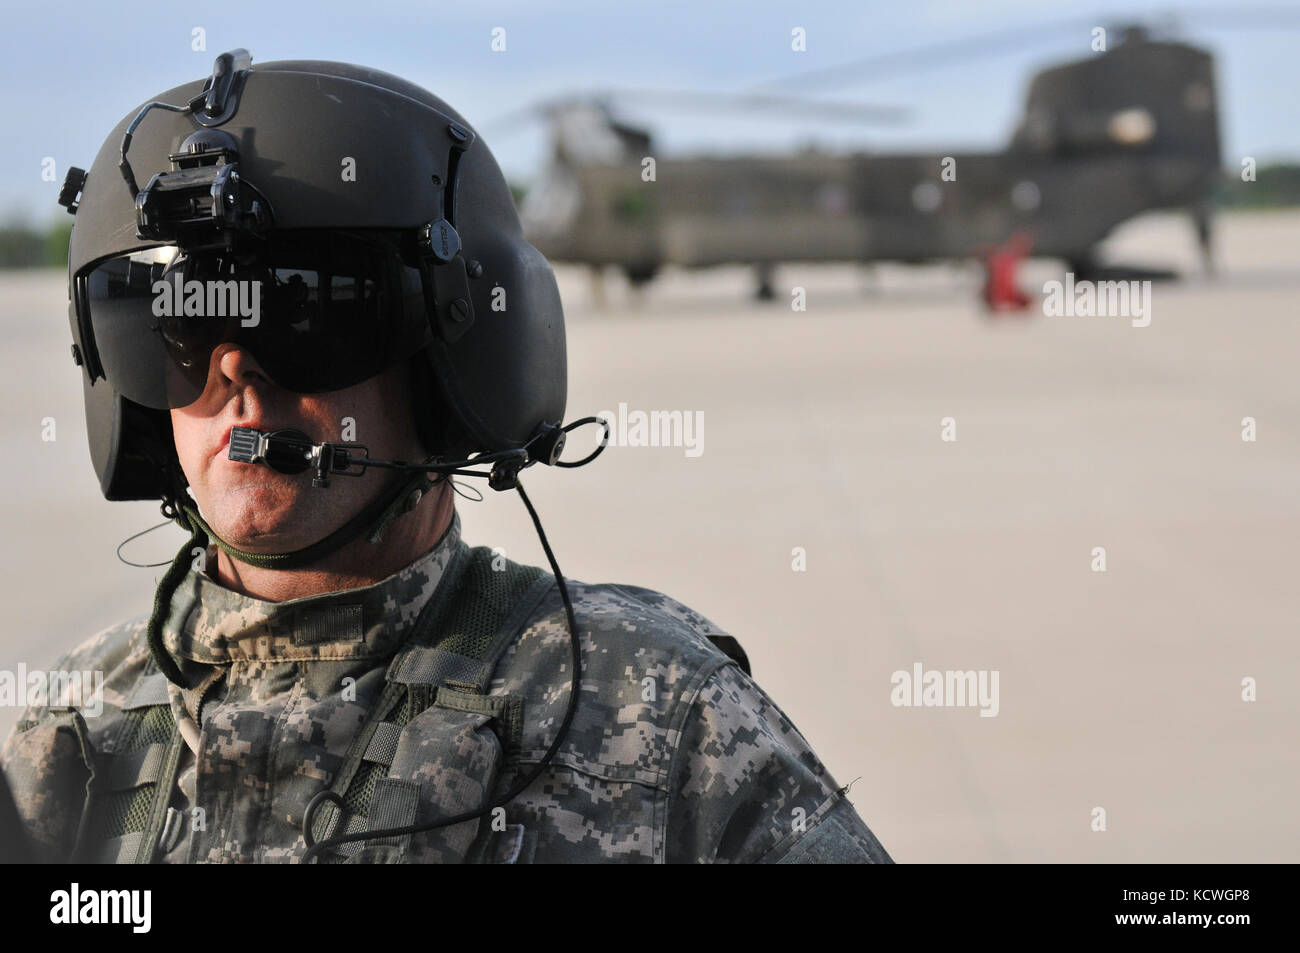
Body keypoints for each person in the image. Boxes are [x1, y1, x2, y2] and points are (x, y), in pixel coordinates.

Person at [0, 50, 893, 864]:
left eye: (306, 314)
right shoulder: (69, 739)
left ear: (450, 360)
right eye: (173, 327)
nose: (235, 368)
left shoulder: (655, 718)